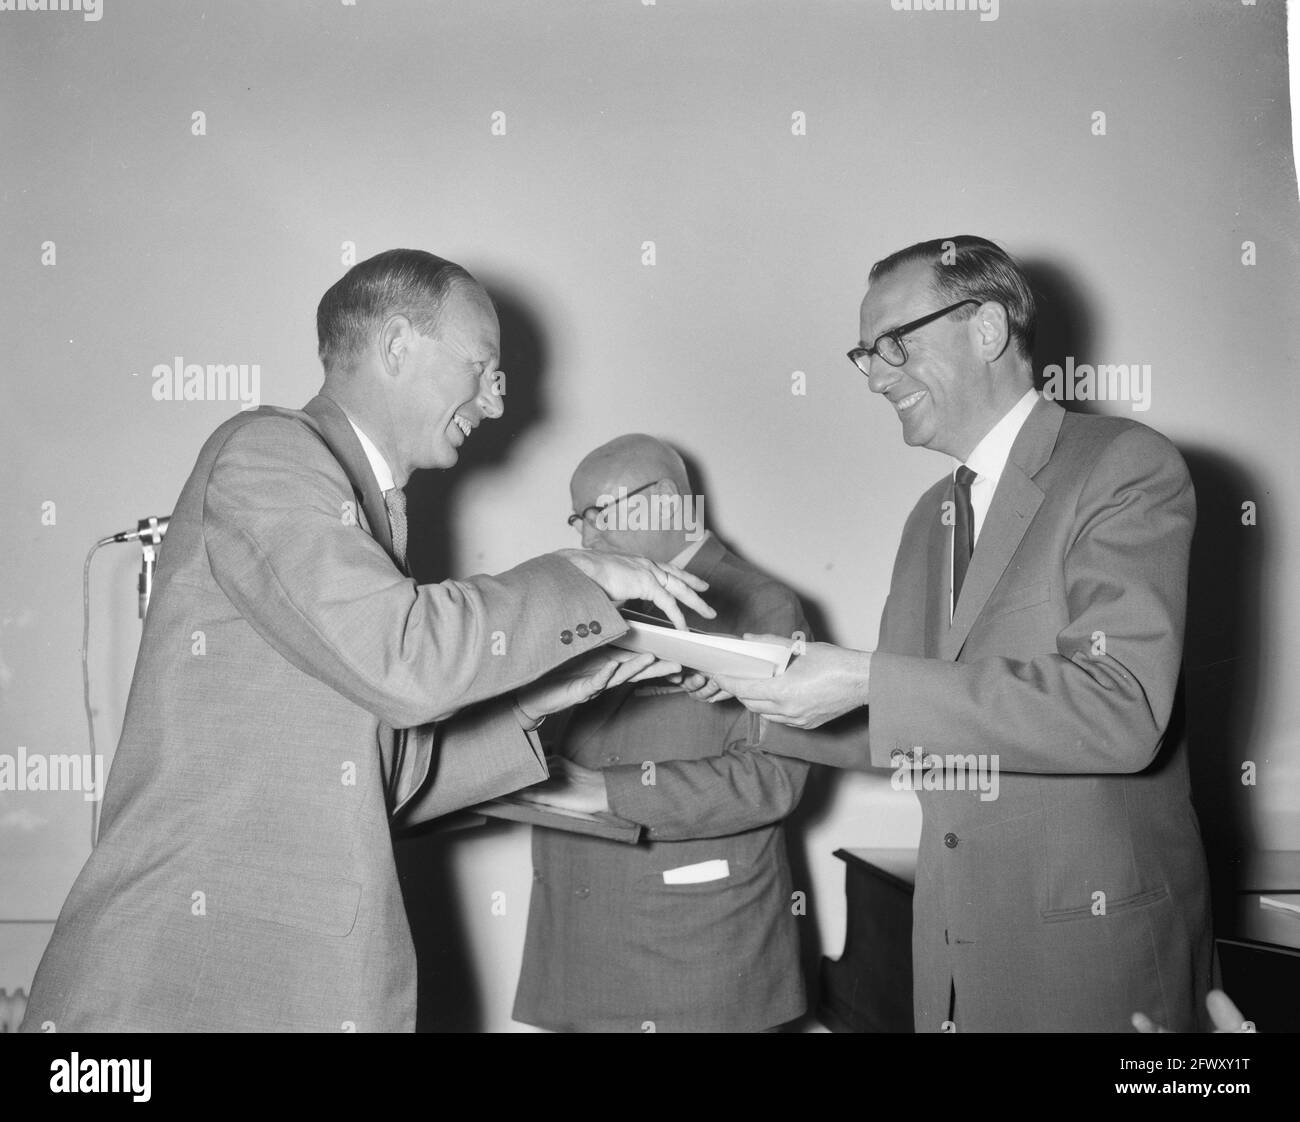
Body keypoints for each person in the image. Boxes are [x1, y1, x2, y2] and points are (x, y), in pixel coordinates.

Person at [22, 250, 711, 1032]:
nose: (496, 400)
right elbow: (405, 661)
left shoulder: (366, 511)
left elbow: (384, 780)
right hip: (183, 979)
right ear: (396, 347)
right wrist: (576, 570)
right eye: (482, 367)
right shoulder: (268, 453)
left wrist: (537, 701)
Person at [714, 236, 1213, 1032]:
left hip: (1091, 964)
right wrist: (751, 692)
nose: (875, 377)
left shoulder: (1123, 466)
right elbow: (912, 727)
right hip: (951, 964)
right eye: (863, 355)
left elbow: (1122, 710)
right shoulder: (929, 518)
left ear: (987, 329)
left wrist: (865, 678)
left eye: (893, 345)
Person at [510, 434, 811, 1032]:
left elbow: (775, 779)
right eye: (579, 518)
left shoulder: (763, 606)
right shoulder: (592, 601)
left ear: (669, 501)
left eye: (602, 512)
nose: (586, 536)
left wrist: (609, 792)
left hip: (695, 954)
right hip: (576, 938)